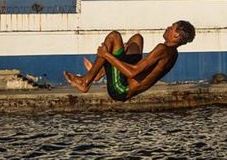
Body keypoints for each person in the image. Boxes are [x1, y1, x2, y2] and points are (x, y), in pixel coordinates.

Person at [64, 21, 196, 101]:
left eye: (172, 27)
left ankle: (85, 81)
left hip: (121, 88)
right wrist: (122, 54)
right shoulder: (173, 53)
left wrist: (106, 55)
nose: (168, 28)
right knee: (137, 38)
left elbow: (132, 72)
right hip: (129, 80)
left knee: (114, 37)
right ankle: (98, 74)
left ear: (176, 35)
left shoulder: (163, 49)